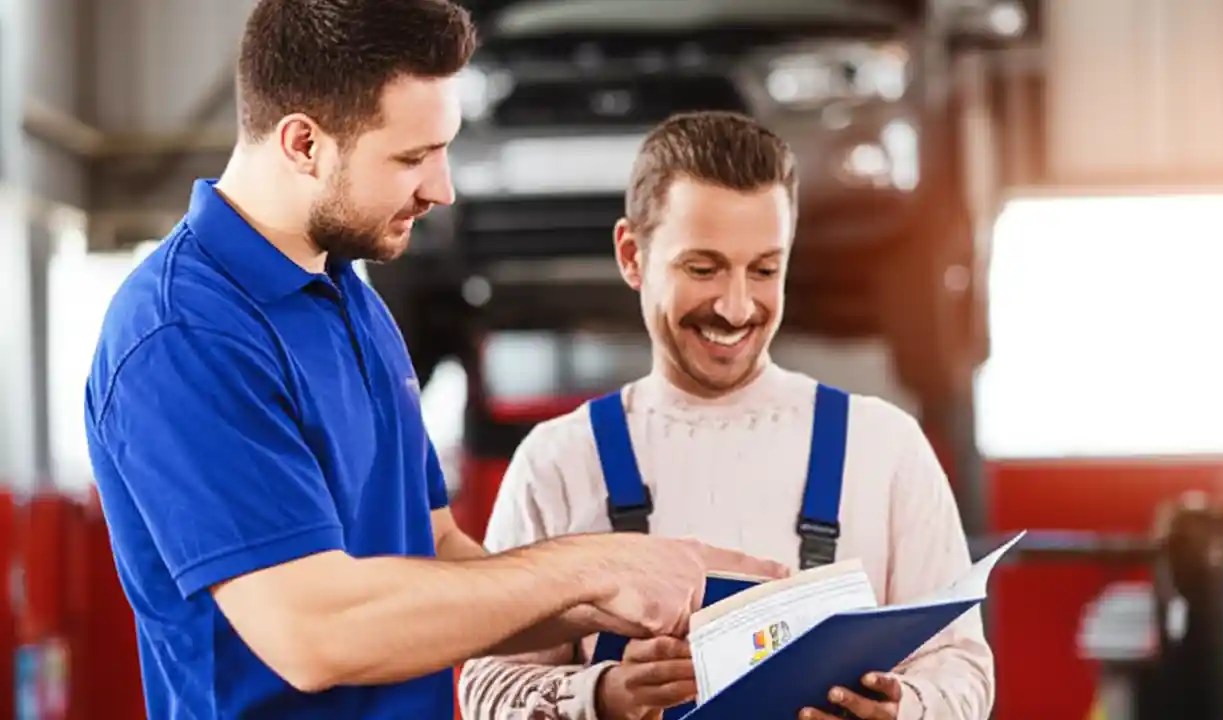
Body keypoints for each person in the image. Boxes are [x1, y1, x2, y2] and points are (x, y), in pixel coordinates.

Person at [81, 2, 787, 718]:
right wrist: (593, 566)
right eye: (413, 157)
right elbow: (314, 633)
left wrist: (642, 601)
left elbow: (438, 550)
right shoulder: (184, 335)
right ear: (303, 144)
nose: (441, 189)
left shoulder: (350, 301)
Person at [456, 111, 996, 720]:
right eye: (703, 268)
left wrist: (904, 709)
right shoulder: (558, 461)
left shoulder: (885, 447)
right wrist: (603, 697)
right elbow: (487, 686)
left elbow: (962, 668)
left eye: (764, 270)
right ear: (632, 255)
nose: (736, 306)